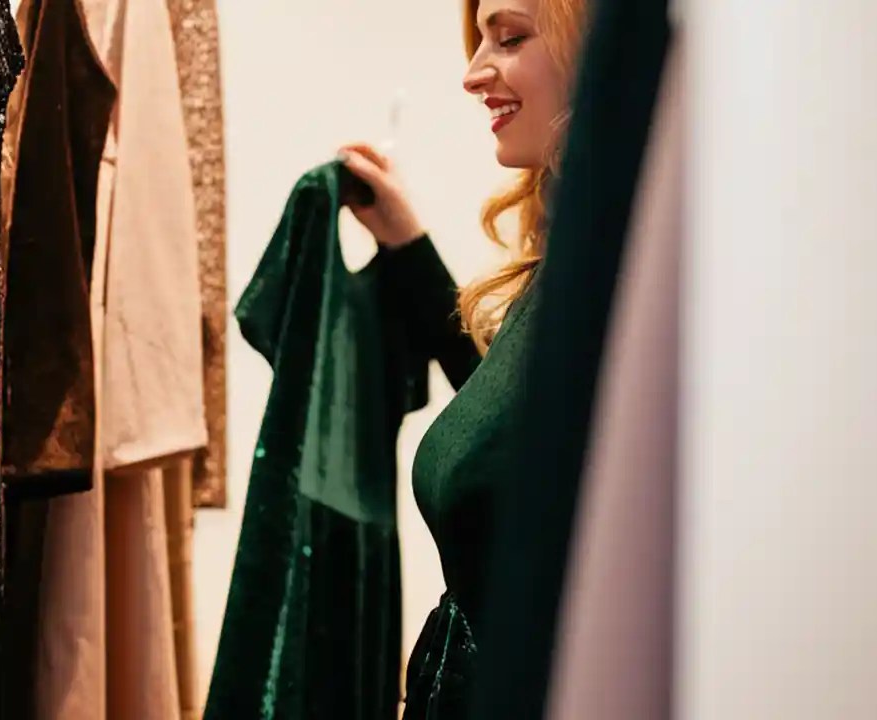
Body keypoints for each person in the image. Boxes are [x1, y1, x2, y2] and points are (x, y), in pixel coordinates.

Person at [338, 0, 587, 716]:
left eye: (508, 38)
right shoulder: (565, 260)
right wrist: (406, 245)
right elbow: (517, 432)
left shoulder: (629, 273)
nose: (474, 74)